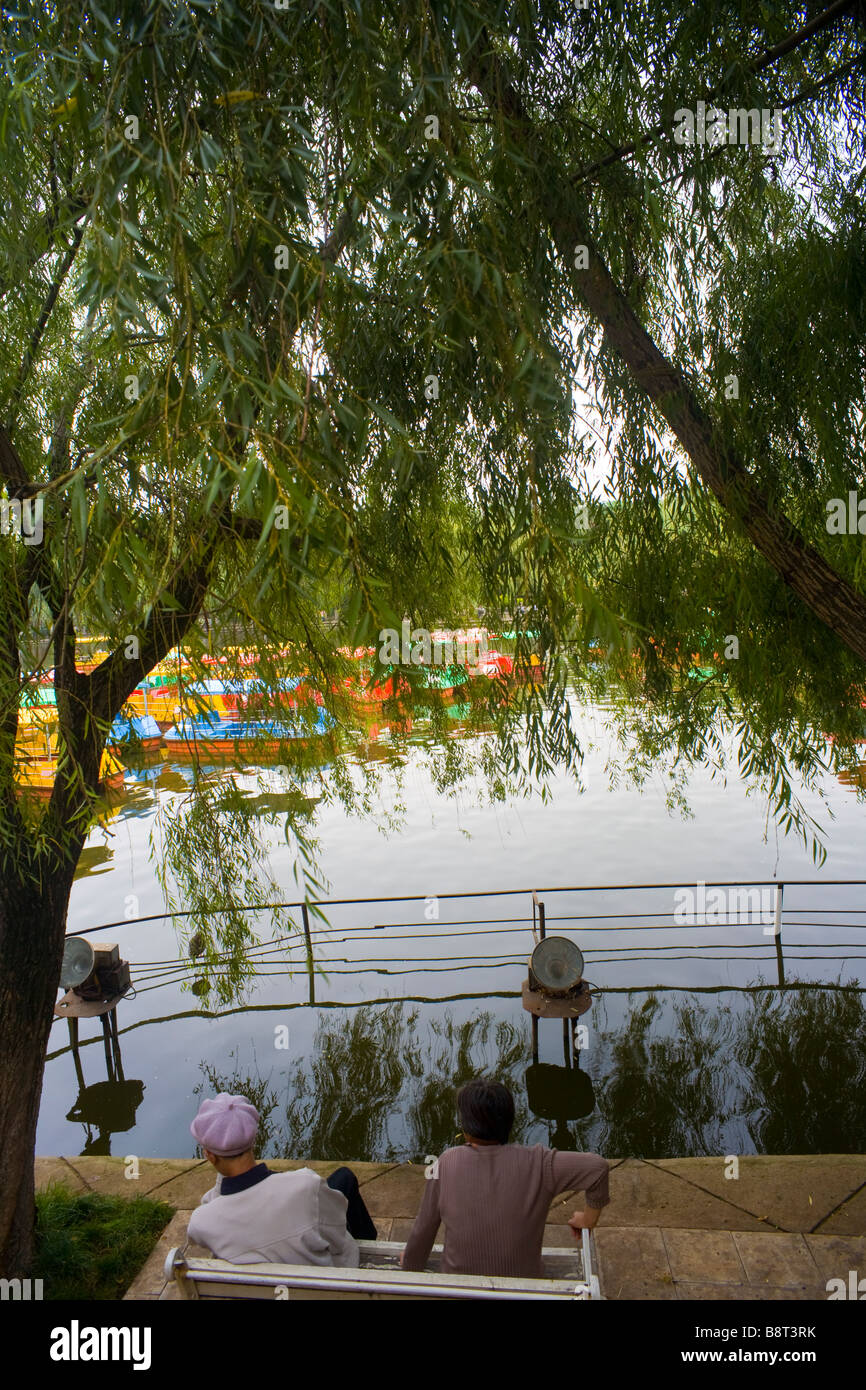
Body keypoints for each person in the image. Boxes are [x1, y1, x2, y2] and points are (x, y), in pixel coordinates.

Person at [400, 1077, 609, 1278]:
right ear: (510, 1122)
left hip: (459, 1288)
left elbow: (424, 1229)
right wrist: (587, 1221)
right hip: (526, 1288)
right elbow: (598, 1169)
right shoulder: (539, 1164)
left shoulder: (445, 1163)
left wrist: (410, 1263)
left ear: (466, 1129)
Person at [186, 1092, 377, 1265]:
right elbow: (336, 1238)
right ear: (254, 1138)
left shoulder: (201, 1222)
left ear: (209, 1155)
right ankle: (371, 1248)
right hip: (324, 1287)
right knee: (344, 1178)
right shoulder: (306, 1186)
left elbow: (216, 1202)